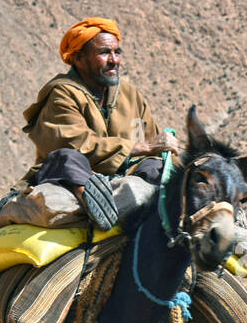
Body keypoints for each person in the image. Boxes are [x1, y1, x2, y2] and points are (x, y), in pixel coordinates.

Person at [20, 17, 178, 230]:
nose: (114, 60)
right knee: (67, 158)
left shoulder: (129, 94)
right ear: (78, 58)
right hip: (74, 175)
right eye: (104, 53)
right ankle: (94, 201)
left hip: (124, 174)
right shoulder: (62, 94)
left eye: (117, 52)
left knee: (156, 167)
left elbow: (153, 145)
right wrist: (141, 147)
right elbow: (79, 144)